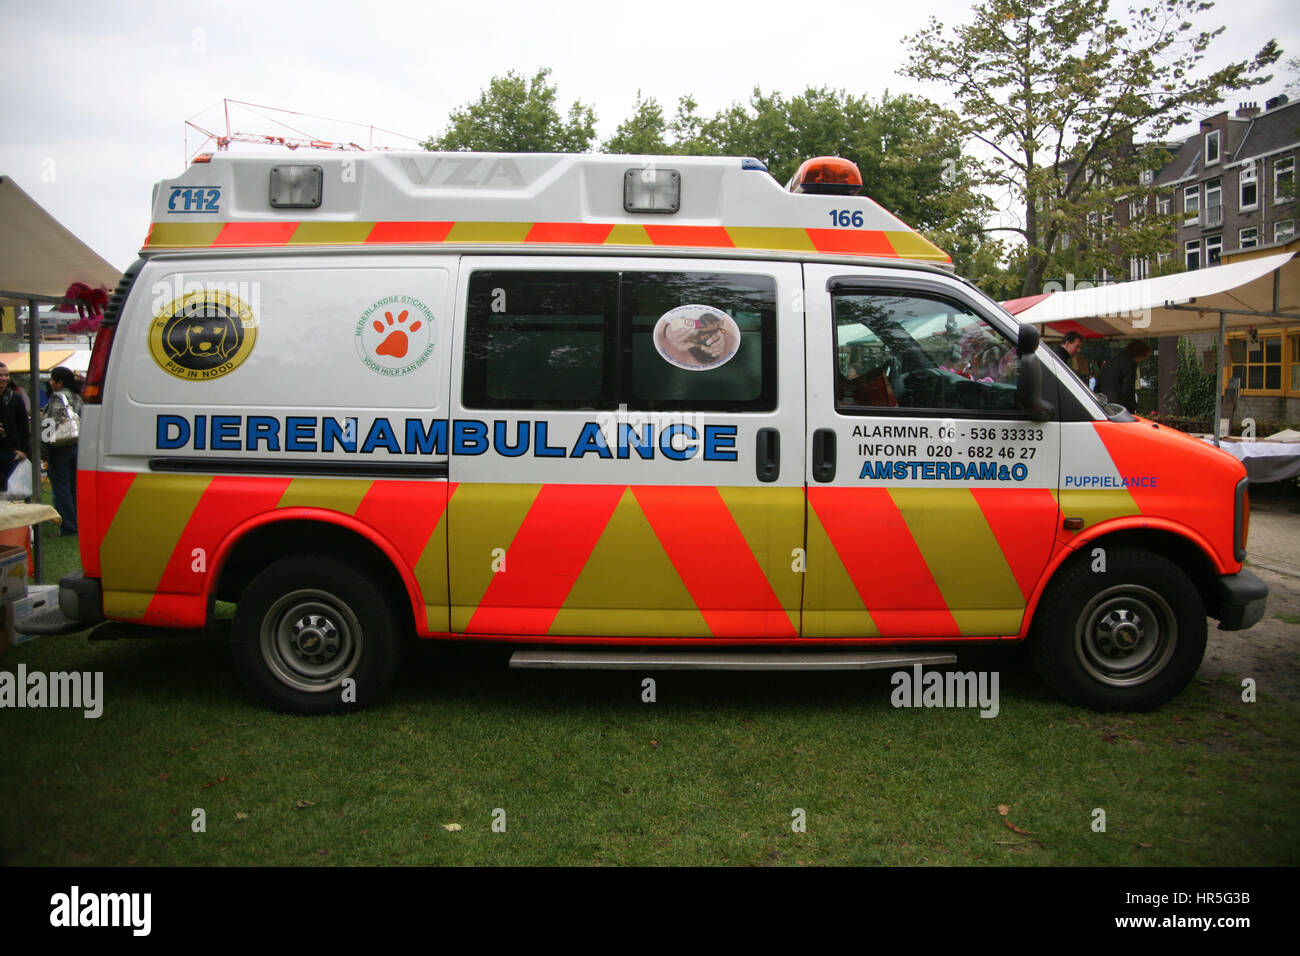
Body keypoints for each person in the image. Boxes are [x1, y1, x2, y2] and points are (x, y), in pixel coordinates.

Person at [42, 366, 82, 535]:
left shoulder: (57, 397)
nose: (50, 383)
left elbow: (51, 422)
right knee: (73, 486)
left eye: (52, 380)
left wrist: (44, 445)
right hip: (77, 444)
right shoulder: (78, 397)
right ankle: (76, 521)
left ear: (59, 382)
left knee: (61, 487)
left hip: (60, 447)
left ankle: (68, 525)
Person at [1094, 340, 1152, 414]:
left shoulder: (1111, 361)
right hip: (1120, 407)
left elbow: (1098, 384)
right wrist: (1131, 408)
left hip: (1104, 404)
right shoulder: (1129, 363)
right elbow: (1128, 388)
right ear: (1141, 354)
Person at [0, 362, 30, 490]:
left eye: (6, 375)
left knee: (13, 492)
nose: (4, 378)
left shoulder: (15, 398)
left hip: (11, 452)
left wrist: (23, 449)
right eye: (0, 375)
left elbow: (23, 426)